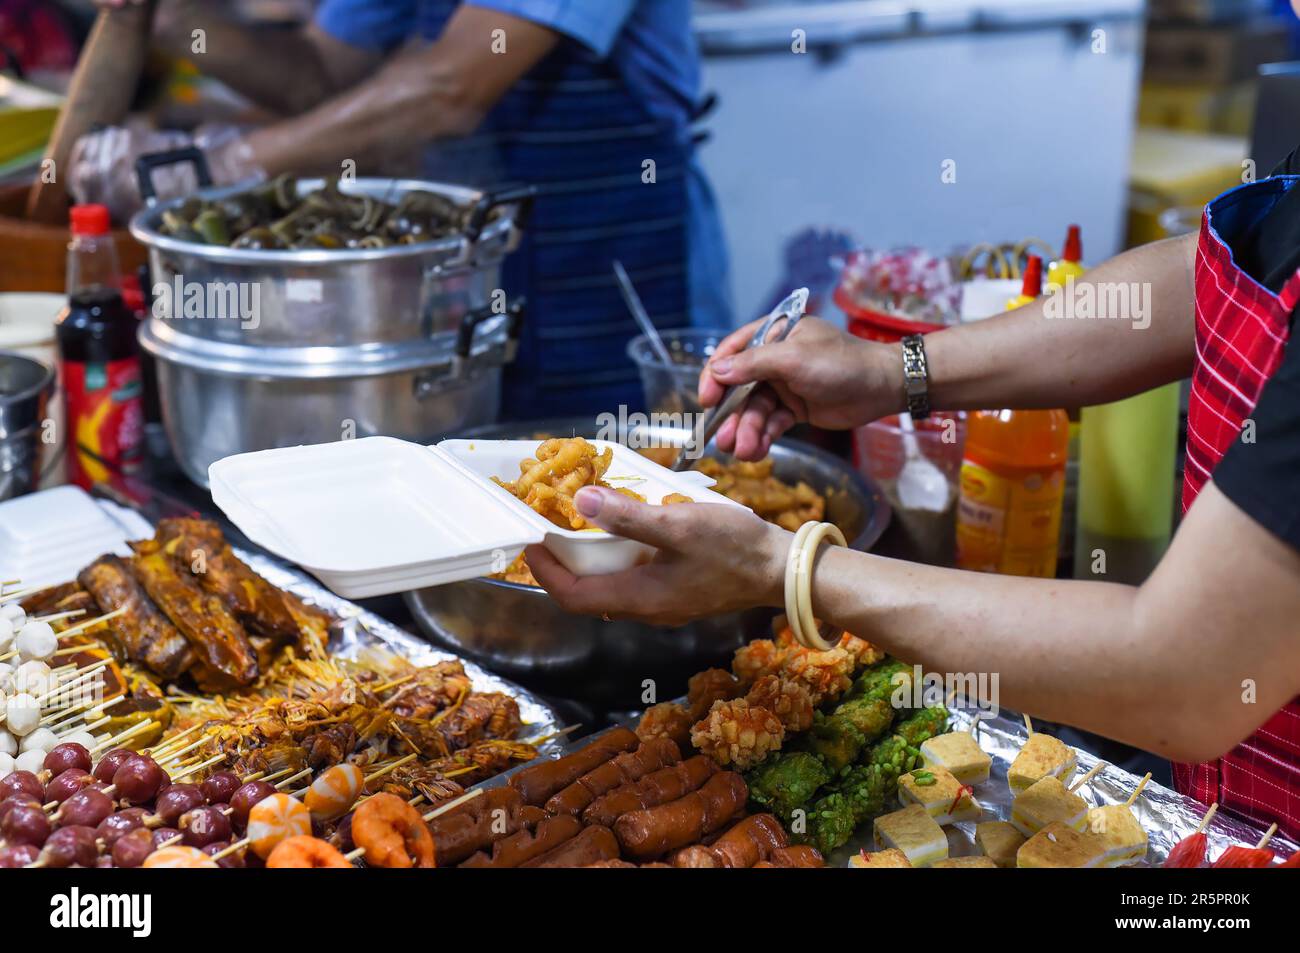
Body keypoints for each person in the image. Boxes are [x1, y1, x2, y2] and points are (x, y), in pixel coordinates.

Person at [526, 139, 1300, 840]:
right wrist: (891, 370)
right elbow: (1211, 275)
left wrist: (787, 568)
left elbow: (1181, 673)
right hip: (1222, 806)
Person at [74, 0, 732, 416]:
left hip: (607, 272)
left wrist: (219, 164)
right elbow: (321, 74)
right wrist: (162, 16)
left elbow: (450, 88)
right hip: (466, 286)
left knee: (611, 519)